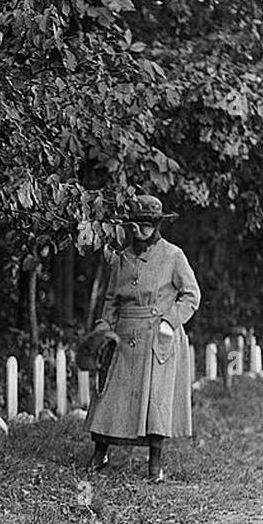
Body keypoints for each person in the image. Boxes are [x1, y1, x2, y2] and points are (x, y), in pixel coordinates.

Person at [83, 195, 201, 481]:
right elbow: (111, 301)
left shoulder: (173, 256)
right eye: (134, 225)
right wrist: (102, 329)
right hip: (123, 335)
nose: (138, 230)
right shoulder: (121, 258)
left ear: (156, 225)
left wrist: (170, 321)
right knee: (109, 394)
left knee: (155, 399)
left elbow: (192, 295)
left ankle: (155, 464)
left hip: (157, 336)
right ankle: (100, 454)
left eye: (145, 225)